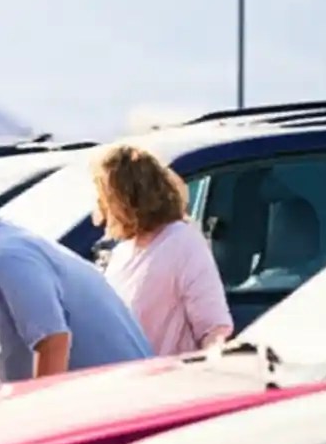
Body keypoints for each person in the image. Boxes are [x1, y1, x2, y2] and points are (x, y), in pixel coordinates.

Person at [0, 168, 153, 385]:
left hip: (118, 402)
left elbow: (53, 341)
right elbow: (8, 355)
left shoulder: (7, 254)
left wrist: (38, 415)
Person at [91, 143, 233, 355]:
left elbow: (214, 329)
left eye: (105, 197)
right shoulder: (121, 253)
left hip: (169, 382)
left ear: (126, 199)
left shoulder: (182, 242)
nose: (100, 206)